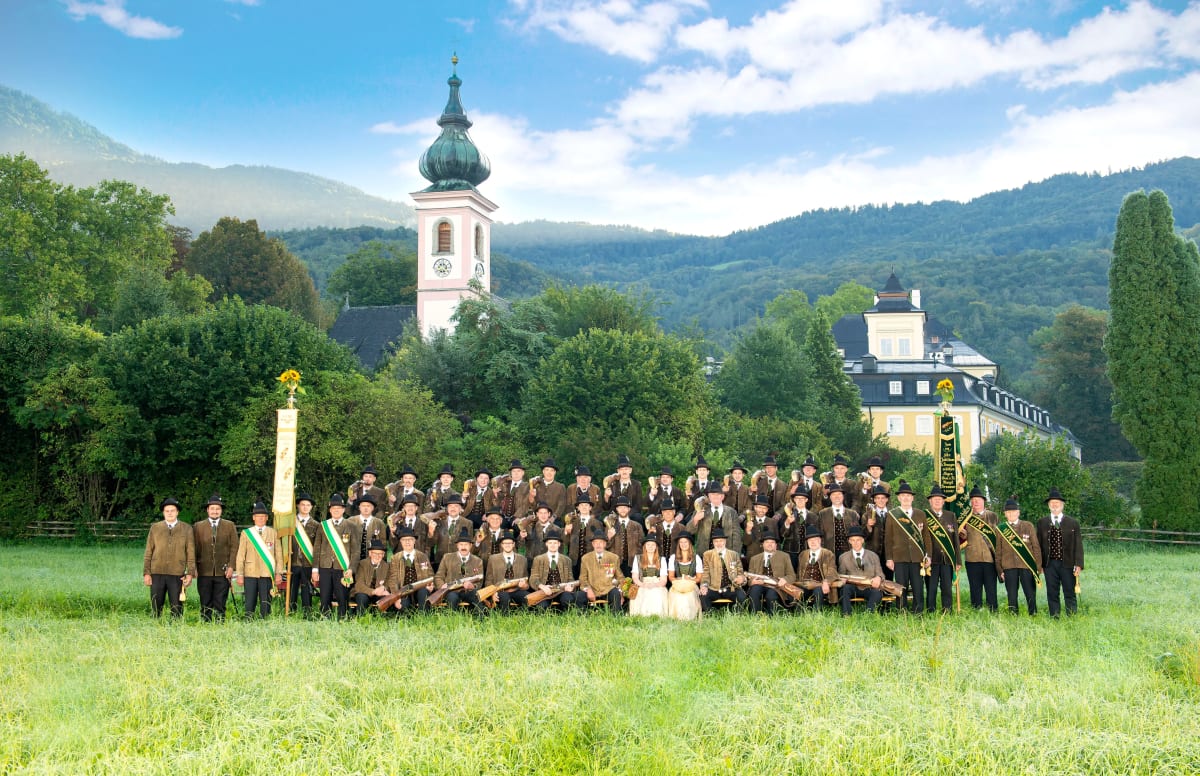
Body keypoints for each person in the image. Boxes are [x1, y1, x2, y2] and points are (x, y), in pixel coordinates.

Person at [143, 497, 195, 618]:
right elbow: (148, 551)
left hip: (177, 574)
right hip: (157, 572)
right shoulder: (155, 528)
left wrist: (190, 573)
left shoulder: (187, 528)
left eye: (173, 510)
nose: (170, 513)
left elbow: (191, 553)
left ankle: (176, 630)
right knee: (156, 606)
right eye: (167, 511)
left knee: (177, 607)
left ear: (177, 512)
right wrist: (146, 573)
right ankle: (156, 628)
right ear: (163, 512)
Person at [1036, 487, 1084, 617]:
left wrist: (1078, 564)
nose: (1055, 505)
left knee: (1069, 590)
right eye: (1052, 503)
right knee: (1052, 591)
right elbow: (1038, 545)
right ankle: (1055, 615)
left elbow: (1078, 545)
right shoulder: (1042, 523)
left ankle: (1072, 615)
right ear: (1048, 505)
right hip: (1049, 564)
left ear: (1062, 505)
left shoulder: (1073, 523)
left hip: (1068, 563)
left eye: (1057, 503)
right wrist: (1039, 565)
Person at [312, 493, 361, 619]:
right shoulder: (323, 526)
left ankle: (342, 617)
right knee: (325, 595)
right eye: (334, 508)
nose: (336, 510)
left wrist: (351, 568)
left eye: (339, 508)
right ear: (330, 510)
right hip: (325, 566)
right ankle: (325, 617)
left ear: (343, 510)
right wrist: (315, 569)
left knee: (342, 596)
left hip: (343, 567)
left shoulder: (351, 526)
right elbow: (317, 548)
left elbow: (355, 551)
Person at [885, 481, 930, 613]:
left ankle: (918, 611)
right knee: (901, 587)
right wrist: (889, 558)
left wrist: (928, 555)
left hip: (917, 557)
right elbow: (888, 538)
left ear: (912, 498)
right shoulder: (892, 514)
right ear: (898, 498)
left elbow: (926, 536)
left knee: (917, 586)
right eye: (903, 495)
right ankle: (901, 611)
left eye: (908, 495)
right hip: (899, 557)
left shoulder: (920, 514)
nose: (905, 498)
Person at [235, 501, 284, 619]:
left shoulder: (273, 533)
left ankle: (265, 621)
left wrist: (278, 573)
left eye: (263, 516)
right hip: (250, 572)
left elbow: (279, 555)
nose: (260, 519)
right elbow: (241, 555)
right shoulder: (246, 533)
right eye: (258, 516)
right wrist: (240, 574)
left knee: (266, 602)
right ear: (253, 517)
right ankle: (248, 621)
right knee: (249, 602)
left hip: (267, 573)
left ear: (267, 518)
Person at [193, 492, 237, 622]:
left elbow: (234, 547)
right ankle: (206, 622)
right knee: (205, 600)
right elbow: (193, 548)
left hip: (222, 571)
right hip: (204, 570)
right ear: (207, 510)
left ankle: (219, 622)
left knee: (220, 600)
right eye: (212, 508)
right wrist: (193, 568)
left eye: (217, 508)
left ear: (221, 510)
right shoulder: (198, 526)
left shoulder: (229, 525)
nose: (215, 511)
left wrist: (231, 567)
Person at [996, 497, 1041, 615]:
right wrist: (1000, 569)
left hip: (1026, 565)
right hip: (1008, 566)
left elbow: (1036, 547)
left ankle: (1033, 613)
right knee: (1011, 594)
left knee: (1030, 592)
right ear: (1005, 514)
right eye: (1008, 512)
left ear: (1018, 512)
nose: (1011, 514)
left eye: (1013, 512)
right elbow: (998, 551)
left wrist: (1038, 566)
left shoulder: (1028, 526)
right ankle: (1013, 614)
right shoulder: (1001, 529)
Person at [959, 485, 999, 611]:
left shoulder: (993, 516)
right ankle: (976, 609)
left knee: (991, 587)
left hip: (989, 558)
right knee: (975, 588)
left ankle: (993, 610)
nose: (975, 502)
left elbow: (997, 537)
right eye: (973, 500)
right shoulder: (965, 517)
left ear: (983, 501)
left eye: (978, 499)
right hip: (972, 558)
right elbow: (961, 537)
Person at [923, 485, 960, 614]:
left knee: (947, 588)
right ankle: (931, 611)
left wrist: (958, 560)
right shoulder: (925, 515)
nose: (937, 501)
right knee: (931, 588)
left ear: (943, 501)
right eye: (934, 499)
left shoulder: (951, 515)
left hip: (947, 559)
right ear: (930, 501)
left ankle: (947, 611)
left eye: (940, 499)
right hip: (932, 560)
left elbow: (955, 540)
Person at [434, 527, 484, 613]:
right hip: (451, 590)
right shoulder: (447, 557)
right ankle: (451, 622)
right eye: (461, 544)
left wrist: (473, 586)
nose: (463, 547)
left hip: (468, 591)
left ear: (470, 546)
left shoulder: (478, 561)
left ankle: (481, 621)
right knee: (452, 598)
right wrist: (442, 585)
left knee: (476, 598)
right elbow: (439, 576)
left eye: (466, 544)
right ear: (457, 545)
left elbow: (480, 581)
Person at [385, 525, 435, 613]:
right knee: (404, 607)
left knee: (424, 592)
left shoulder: (422, 556)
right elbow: (392, 579)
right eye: (404, 540)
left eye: (410, 539)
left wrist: (431, 585)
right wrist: (396, 597)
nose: (407, 542)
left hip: (420, 589)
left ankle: (424, 619)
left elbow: (430, 574)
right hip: (403, 590)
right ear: (400, 541)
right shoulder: (395, 558)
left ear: (414, 541)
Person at [528, 529, 580, 611]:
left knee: (568, 600)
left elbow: (570, 579)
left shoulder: (566, 560)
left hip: (561, 591)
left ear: (559, 544)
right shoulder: (538, 559)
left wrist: (570, 587)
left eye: (555, 543)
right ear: (546, 544)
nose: (553, 545)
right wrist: (542, 587)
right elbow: (533, 578)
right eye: (550, 543)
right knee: (541, 607)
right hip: (545, 591)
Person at [838, 526, 884, 615]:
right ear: (849, 541)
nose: (856, 543)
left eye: (858, 540)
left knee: (877, 593)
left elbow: (880, 573)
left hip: (869, 587)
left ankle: (868, 615)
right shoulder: (843, 557)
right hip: (853, 587)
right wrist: (841, 580)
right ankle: (846, 615)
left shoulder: (873, 555)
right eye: (853, 540)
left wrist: (878, 578)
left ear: (863, 540)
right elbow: (841, 574)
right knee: (844, 589)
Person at [700, 526, 747, 612]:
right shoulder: (707, 554)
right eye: (716, 541)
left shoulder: (734, 554)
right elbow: (706, 572)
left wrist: (741, 578)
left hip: (731, 587)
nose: (719, 544)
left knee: (742, 597)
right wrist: (704, 586)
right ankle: (710, 617)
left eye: (721, 541)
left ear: (725, 541)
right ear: (713, 542)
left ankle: (737, 618)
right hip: (714, 588)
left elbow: (740, 572)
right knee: (703, 596)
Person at [746, 531, 795, 615]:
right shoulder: (754, 559)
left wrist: (784, 579)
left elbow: (792, 575)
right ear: (763, 545)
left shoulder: (784, 556)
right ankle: (755, 617)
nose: (770, 544)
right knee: (753, 592)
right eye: (767, 542)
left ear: (776, 545)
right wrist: (752, 582)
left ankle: (772, 618)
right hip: (760, 584)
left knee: (771, 596)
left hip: (776, 586)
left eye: (772, 542)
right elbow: (750, 577)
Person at [578, 528, 625, 613]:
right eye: (596, 542)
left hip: (608, 589)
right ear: (592, 544)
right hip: (592, 589)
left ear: (605, 544)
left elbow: (620, 577)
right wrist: (588, 589)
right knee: (579, 596)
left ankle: (616, 618)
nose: (598, 545)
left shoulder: (613, 557)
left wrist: (621, 591)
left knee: (615, 593)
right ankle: (584, 618)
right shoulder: (586, 558)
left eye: (601, 542)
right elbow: (582, 578)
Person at [290, 492, 321, 616]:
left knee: (306, 589)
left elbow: (317, 547)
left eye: (308, 505)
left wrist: (315, 567)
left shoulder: (316, 525)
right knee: (292, 589)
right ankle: (290, 611)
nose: (305, 507)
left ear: (311, 507)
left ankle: (307, 612)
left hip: (308, 563)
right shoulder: (291, 523)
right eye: (302, 504)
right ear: (298, 506)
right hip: (292, 562)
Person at [795, 525, 839, 612]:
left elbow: (832, 570)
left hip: (819, 584)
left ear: (820, 541)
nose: (813, 542)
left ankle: (817, 615)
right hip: (804, 584)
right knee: (798, 592)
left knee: (818, 591)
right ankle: (799, 615)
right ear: (807, 542)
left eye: (815, 540)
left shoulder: (828, 554)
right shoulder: (802, 554)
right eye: (810, 540)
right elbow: (799, 573)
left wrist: (826, 582)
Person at [483, 530, 529, 612]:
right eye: (505, 543)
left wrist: (524, 585)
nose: (507, 545)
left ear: (513, 544)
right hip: (500, 590)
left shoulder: (522, 559)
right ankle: (503, 620)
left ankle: (522, 619)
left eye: (510, 543)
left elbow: (526, 581)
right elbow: (488, 580)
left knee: (528, 598)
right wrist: (492, 593)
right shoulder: (493, 559)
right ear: (501, 545)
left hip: (516, 590)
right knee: (504, 598)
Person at [817, 482, 861, 560]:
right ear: (830, 497)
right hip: (829, 553)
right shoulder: (822, 513)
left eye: (839, 494)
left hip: (849, 553)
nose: (837, 497)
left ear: (843, 496)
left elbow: (857, 534)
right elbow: (820, 535)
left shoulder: (852, 514)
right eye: (834, 495)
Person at [628, 535, 669, 617]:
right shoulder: (638, 558)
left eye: (653, 545)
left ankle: (656, 615)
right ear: (645, 547)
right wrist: (643, 585)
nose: (650, 547)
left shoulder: (662, 559)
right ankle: (642, 616)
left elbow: (664, 580)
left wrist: (655, 585)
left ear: (656, 547)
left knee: (656, 592)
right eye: (648, 545)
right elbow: (635, 577)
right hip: (642, 582)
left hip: (657, 583)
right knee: (642, 592)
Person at [667, 532, 704, 620]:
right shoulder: (673, 557)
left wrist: (690, 580)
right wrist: (679, 582)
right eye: (681, 542)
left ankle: (689, 618)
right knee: (677, 595)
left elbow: (699, 578)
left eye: (685, 542)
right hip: (677, 584)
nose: (683, 544)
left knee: (689, 596)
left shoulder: (696, 558)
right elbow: (671, 577)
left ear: (690, 544)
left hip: (691, 585)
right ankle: (676, 618)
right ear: (679, 544)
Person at [604, 495, 643, 576]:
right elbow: (605, 547)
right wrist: (609, 537)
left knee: (631, 586)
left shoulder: (637, 526)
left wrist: (639, 564)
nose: (623, 510)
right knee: (611, 585)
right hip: (613, 562)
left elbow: (641, 547)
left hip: (632, 563)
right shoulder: (610, 525)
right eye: (620, 507)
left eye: (625, 507)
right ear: (617, 509)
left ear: (629, 509)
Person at [563, 494, 601, 574]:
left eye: (586, 505)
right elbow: (565, 542)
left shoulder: (597, 524)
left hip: (591, 559)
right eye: (581, 505)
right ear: (578, 507)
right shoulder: (572, 522)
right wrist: (567, 532)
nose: (584, 507)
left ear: (590, 507)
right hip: (575, 559)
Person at [777, 487, 813, 571]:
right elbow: (782, 534)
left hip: (807, 551)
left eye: (802, 498)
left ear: (806, 500)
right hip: (790, 551)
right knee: (790, 575)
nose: (800, 500)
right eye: (797, 498)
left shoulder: (813, 516)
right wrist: (787, 523)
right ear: (794, 500)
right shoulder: (787, 514)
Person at [352, 540, 391, 615]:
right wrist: (373, 591)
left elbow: (388, 582)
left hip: (379, 593)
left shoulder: (386, 566)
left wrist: (384, 588)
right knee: (362, 597)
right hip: (364, 592)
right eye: (375, 553)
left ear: (383, 555)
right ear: (370, 553)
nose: (377, 556)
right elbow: (359, 585)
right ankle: (361, 619)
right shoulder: (362, 564)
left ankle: (381, 620)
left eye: (380, 554)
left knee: (386, 597)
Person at [603, 454, 643, 524]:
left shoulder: (637, 485)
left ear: (630, 470)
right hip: (615, 515)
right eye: (621, 469)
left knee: (638, 517)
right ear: (618, 471)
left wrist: (625, 514)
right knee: (605, 521)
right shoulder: (612, 484)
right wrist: (606, 496)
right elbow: (605, 507)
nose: (624, 472)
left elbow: (638, 506)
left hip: (631, 514)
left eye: (626, 469)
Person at [497, 459, 532, 525]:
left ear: (523, 473)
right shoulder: (504, 485)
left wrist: (517, 517)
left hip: (518, 517)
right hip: (502, 516)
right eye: (514, 471)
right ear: (510, 473)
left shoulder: (527, 487)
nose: (516, 473)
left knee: (519, 527)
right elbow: (498, 501)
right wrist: (498, 516)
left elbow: (525, 505)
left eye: (518, 471)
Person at [353, 494, 386, 562]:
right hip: (353, 560)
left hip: (371, 561)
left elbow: (383, 543)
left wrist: (382, 561)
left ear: (372, 508)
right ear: (359, 507)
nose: (366, 508)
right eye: (363, 506)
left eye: (368, 506)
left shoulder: (379, 523)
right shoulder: (351, 521)